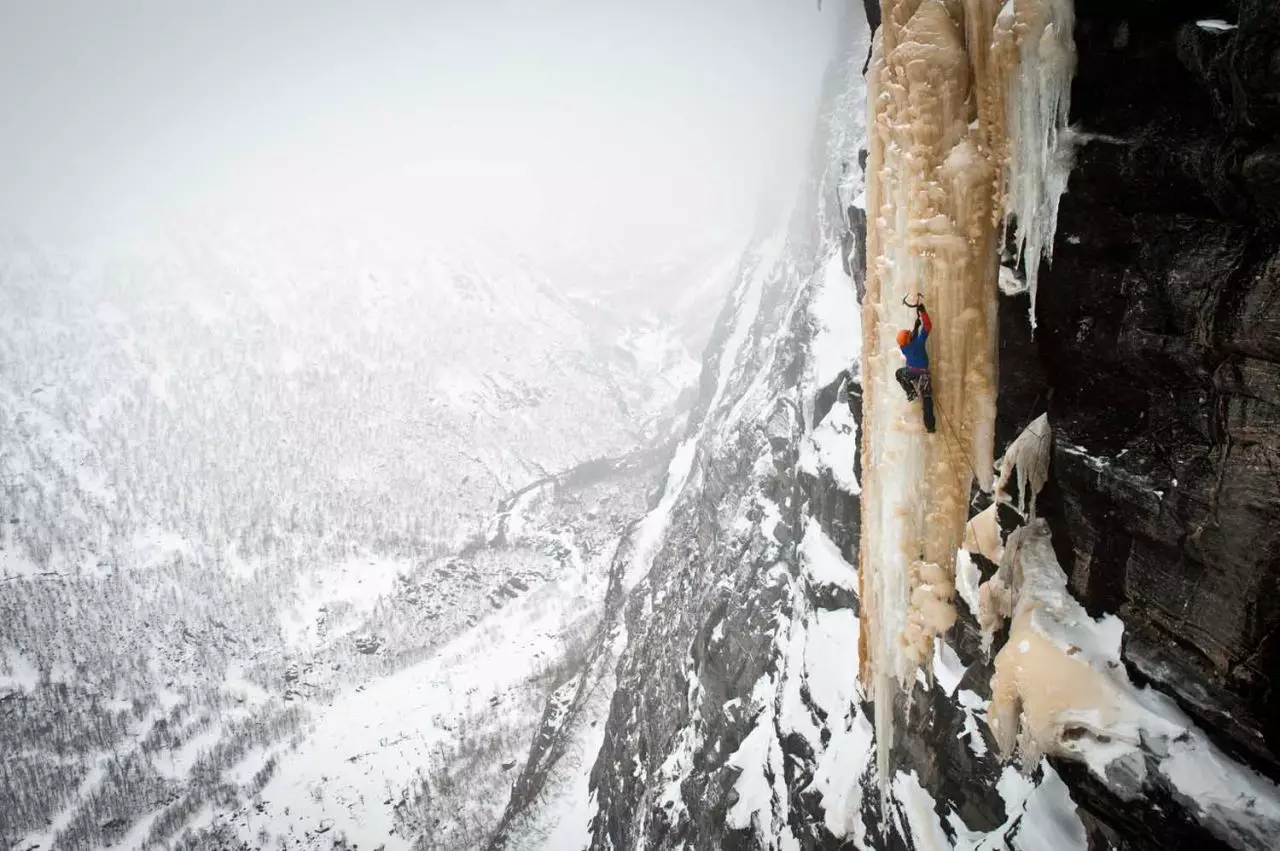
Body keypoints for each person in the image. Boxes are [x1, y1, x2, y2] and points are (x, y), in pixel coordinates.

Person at [895, 297, 936, 433]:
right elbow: (928, 326)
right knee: (927, 399)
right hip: (923, 373)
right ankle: (930, 426)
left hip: (912, 372)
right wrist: (923, 312)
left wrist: (915, 326)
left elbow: (909, 338)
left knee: (899, 374)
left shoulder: (904, 347)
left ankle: (911, 392)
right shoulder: (919, 342)